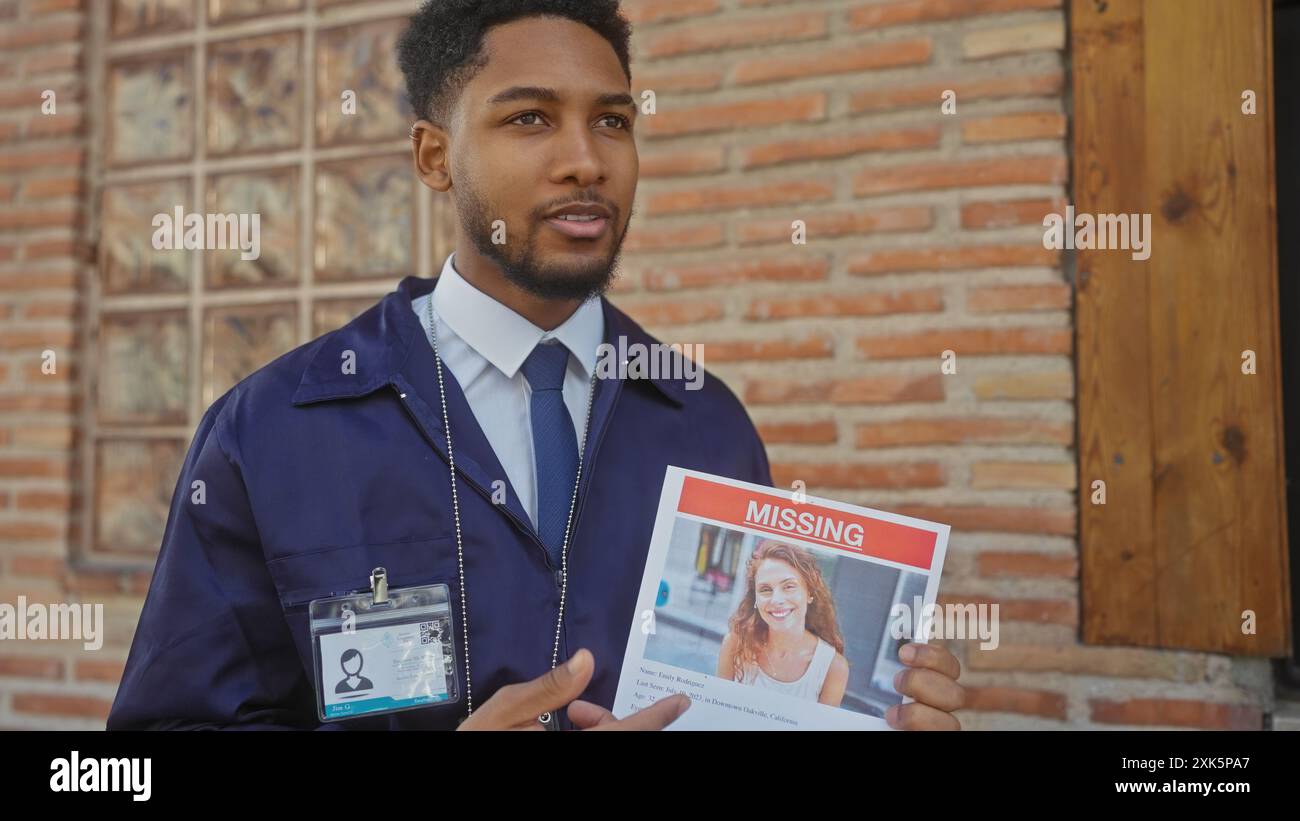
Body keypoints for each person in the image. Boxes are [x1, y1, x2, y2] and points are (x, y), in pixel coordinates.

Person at [106, 0, 965, 732]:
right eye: (529, 118)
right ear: (435, 157)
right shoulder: (273, 432)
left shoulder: (707, 422)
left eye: (613, 121)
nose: (586, 159)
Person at [718, 541, 849, 707]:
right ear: (755, 599)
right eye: (765, 589)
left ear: (809, 593)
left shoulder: (833, 667)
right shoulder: (734, 644)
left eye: (789, 586)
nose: (777, 600)